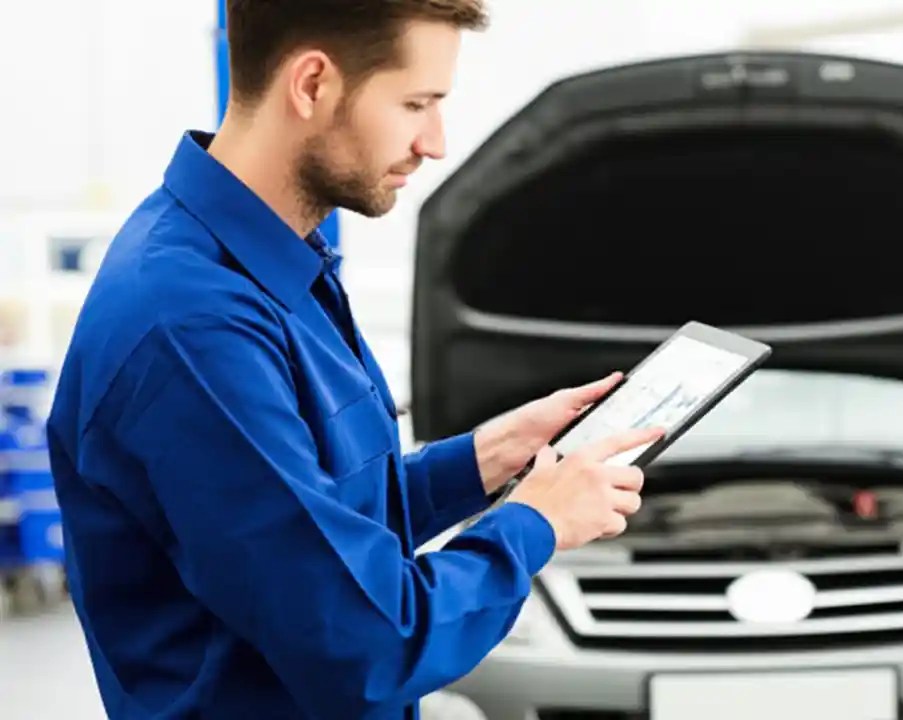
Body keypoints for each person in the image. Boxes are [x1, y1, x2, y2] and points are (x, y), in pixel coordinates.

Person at [45, 2, 662, 718]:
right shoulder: (193, 327)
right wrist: (536, 522)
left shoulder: (268, 269)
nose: (435, 142)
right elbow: (367, 643)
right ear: (312, 84)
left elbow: (321, 520)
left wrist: (485, 459)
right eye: (415, 104)